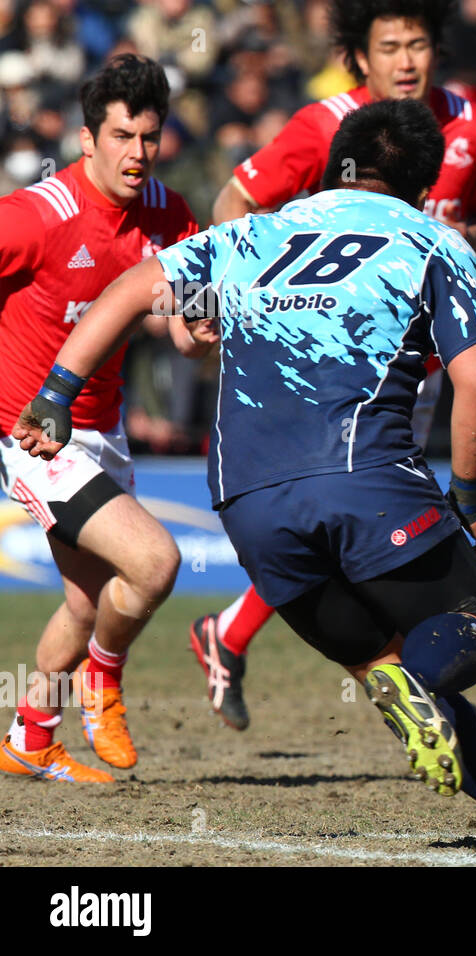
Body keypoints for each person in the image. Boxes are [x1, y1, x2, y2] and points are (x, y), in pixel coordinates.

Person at [14, 98, 476, 853]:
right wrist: (469, 497)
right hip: (364, 477)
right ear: (424, 185)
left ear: (334, 167)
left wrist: (56, 395)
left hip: (247, 504)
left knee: (390, 666)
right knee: (467, 633)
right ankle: (438, 712)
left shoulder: (253, 234)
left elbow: (128, 292)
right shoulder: (432, 241)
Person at [193, 0, 476, 740]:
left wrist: (462, 240)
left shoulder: (471, 124)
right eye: (389, 46)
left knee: (356, 518)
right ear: (359, 58)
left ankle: (243, 637)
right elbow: (237, 201)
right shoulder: (325, 128)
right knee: (354, 507)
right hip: (338, 360)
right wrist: (224, 297)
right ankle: (421, 683)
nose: (406, 60)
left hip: (429, 353)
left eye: (419, 44)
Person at [0, 54, 202, 782]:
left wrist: (199, 331)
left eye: (149, 137)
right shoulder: (34, 217)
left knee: (86, 605)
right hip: (34, 435)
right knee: (154, 563)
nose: (137, 153)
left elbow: (187, 318)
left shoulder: (168, 213)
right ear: (88, 140)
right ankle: (103, 681)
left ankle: (29, 737)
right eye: (122, 136)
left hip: (104, 429)